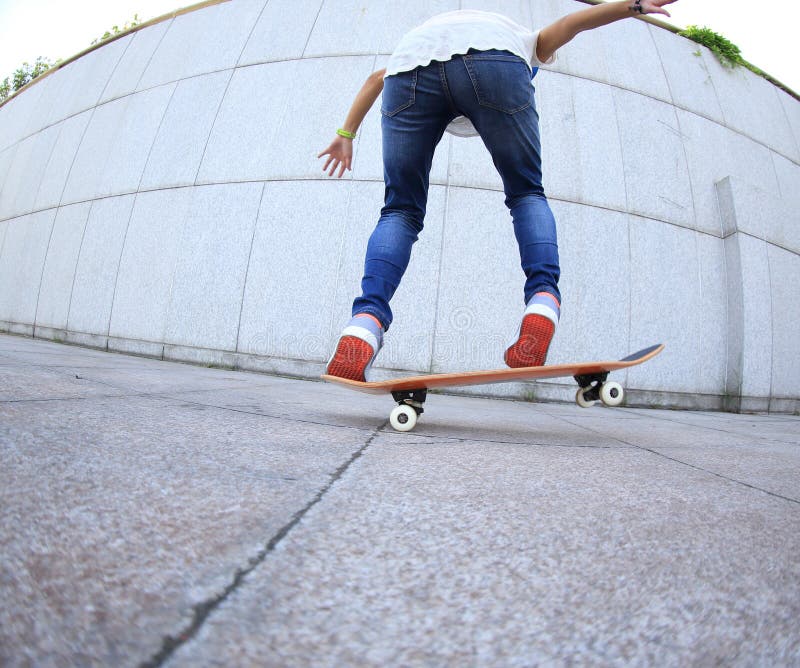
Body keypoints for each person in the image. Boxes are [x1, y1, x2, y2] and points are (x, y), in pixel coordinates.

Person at [319, 0, 676, 381]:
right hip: (497, 61)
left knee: (400, 211)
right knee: (526, 193)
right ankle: (542, 302)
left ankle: (364, 324)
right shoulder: (523, 41)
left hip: (408, 72)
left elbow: (377, 78)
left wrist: (346, 134)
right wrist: (632, 5)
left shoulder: (429, 38)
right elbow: (572, 24)